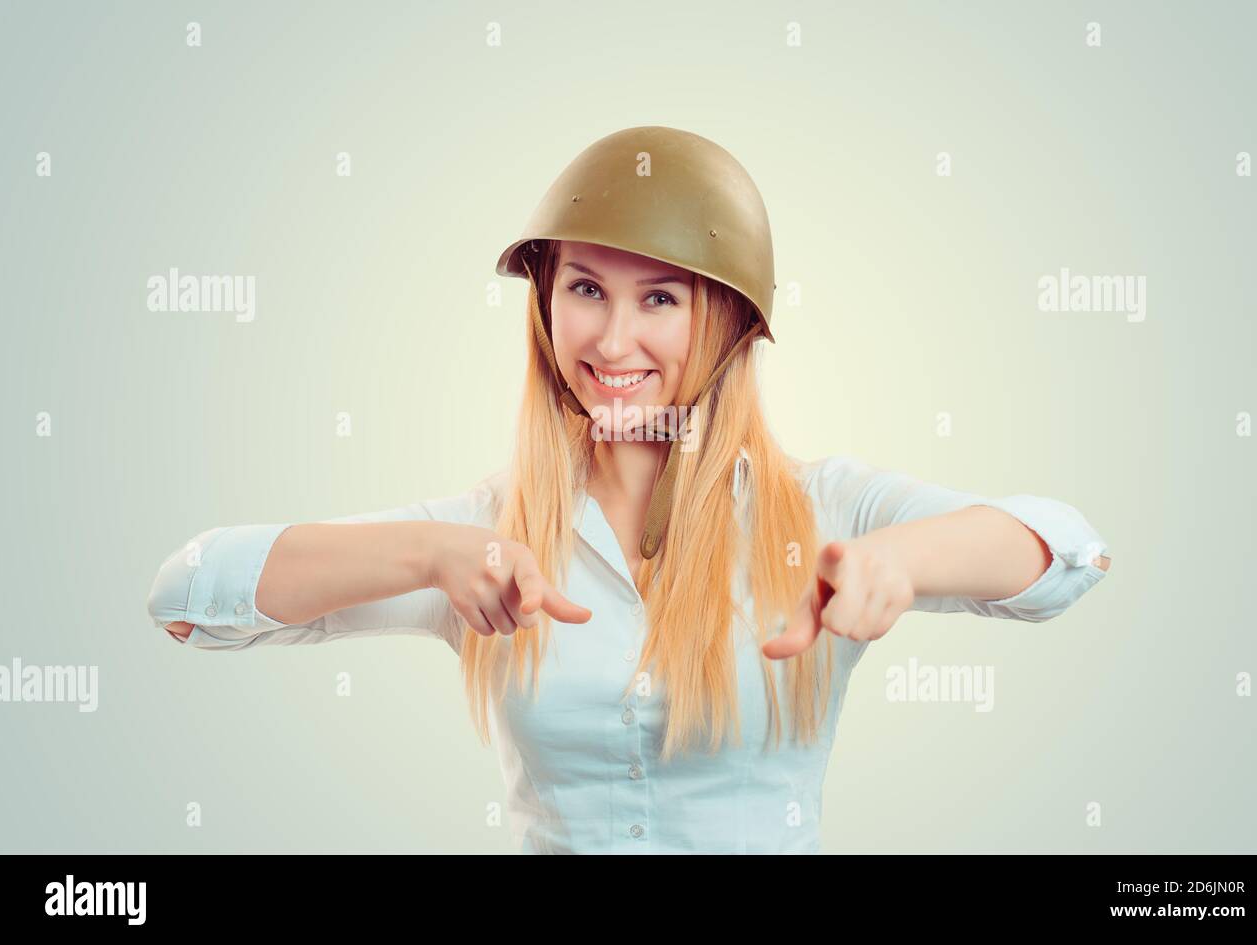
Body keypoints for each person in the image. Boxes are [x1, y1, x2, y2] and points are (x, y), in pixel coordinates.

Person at [147, 126, 1111, 854]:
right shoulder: (486, 539)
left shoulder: (826, 512)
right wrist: (425, 553)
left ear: (727, 320)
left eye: (659, 298)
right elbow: (189, 594)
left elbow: (1065, 549)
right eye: (584, 290)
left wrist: (900, 561)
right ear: (545, 306)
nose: (612, 344)